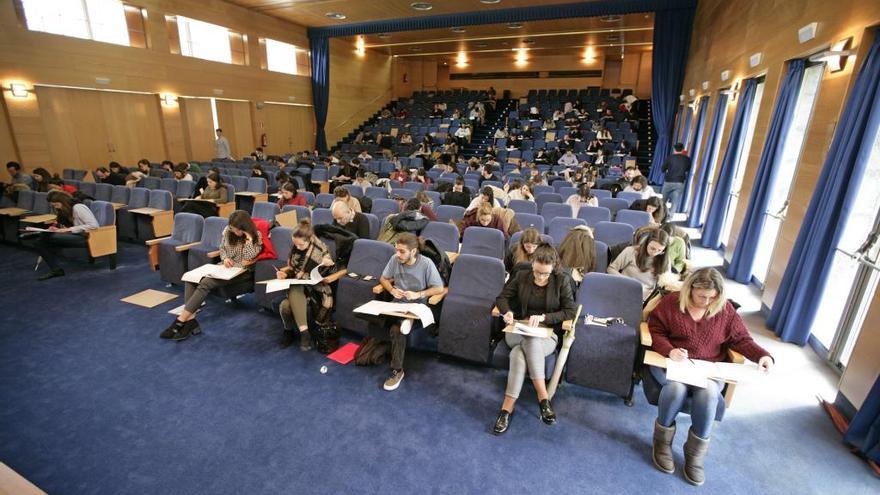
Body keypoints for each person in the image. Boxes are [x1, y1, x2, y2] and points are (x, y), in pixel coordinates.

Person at [647, 267, 774, 485]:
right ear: (690, 290)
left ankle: (695, 455)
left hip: (708, 369)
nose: (706, 301)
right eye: (701, 296)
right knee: (676, 389)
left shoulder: (724, 311)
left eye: (712, 297)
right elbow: (655, 329)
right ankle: (662, 443)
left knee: (709, 393)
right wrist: (670, 350)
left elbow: (742, 339)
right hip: (674, 364)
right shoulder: (672, 303)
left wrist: (763, 356)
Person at [493, 245, 577, 434]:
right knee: (528, 341)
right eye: (537, 272)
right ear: (532, 263)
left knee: (518, 354)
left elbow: (570, 311)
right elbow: (501, 298)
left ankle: (506, 409)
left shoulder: (561, 280)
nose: (540, 277)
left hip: (546, 334)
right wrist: (507, 312)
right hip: (517, 330)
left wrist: (544, 318)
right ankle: (543, 397)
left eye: (545, 274)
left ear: (553, 267)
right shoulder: (522, 276)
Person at [160, 211, 263, 341]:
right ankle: (191, 321)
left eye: (238, 230)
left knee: (206, 282)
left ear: (245, 227)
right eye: (232, 228)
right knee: (190, 277)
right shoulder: (228, 230)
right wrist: (225, 258)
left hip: (243, 272)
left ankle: (179, 322)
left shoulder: (256, 236)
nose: (235, 232)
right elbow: (223, 249)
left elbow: (248, 258)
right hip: (225, 267)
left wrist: (249, 239)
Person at [375, 233, 445, 391]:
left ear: (413, 252)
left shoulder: (426, 264)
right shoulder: (395, 259)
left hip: (418, 307)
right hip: (398, 304)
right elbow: (383, 278)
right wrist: (392, 290)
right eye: (396, 250)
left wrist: (418, 294)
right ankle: (402, 323)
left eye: (402, 251)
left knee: (397, 330)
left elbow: (439, 288)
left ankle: (397, 370)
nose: (397, 254)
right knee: (374, 315)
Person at [276, 219, 336, 350]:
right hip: (299, 285)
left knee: (289, 298)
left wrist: (328, 263)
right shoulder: (296, 247)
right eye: (295, 244)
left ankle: (300, 333)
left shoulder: (320, 249)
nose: (297, 247)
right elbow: (293, 269)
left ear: (309, 240)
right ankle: (301, 333)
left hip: (316, 288)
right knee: (285, 305)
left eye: (300, 245)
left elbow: (330, 271)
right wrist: (285, 274)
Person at [29, 191, 99, 280]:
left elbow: (94, 225)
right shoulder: (65, 210)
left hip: (89, 237)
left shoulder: (78, 207)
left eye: (56, 205)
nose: (56, 207)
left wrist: (68, 229)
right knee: (40, 242)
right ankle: (56, 270)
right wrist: (57, 228)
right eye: (53, 206)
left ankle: (38, 235)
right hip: (77, 234)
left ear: (63, 201)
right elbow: (65, 224)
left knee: (45, 239)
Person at [608, 229, 671, 300]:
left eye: (660, 250)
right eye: (652, 248)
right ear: (647, 243)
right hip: (625, 288)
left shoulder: (665, 260)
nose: (655, 253)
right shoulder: (631, 251)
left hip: (645, 296)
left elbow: (665, 282)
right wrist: (624, 280)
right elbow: (611, 268)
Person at [661, 143, 691, 215]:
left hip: (669, 181)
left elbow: (662, 169)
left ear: (674, 149)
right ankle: (669, 218)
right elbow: (687, 169)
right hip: (680, 182)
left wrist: (668, 170)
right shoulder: (687, 159)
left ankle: (660, 215)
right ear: (683, 149)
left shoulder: (670, 158)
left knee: (663, 201)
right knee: (675, 202)